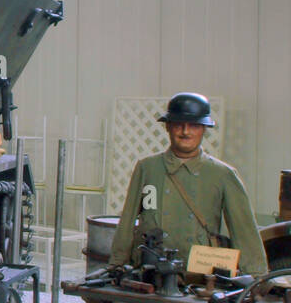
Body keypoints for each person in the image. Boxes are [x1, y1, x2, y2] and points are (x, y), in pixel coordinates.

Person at [108, 92, 268, 277]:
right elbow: (127, 220)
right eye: (178, 125)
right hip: (150, 269)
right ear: (168, 127)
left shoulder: (222, 174)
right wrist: (117, 264)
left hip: (199, 273)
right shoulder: (147, 167)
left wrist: (256, 275)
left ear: (204, 129)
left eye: (194, 125)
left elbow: (244, 229)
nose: (185, 132)